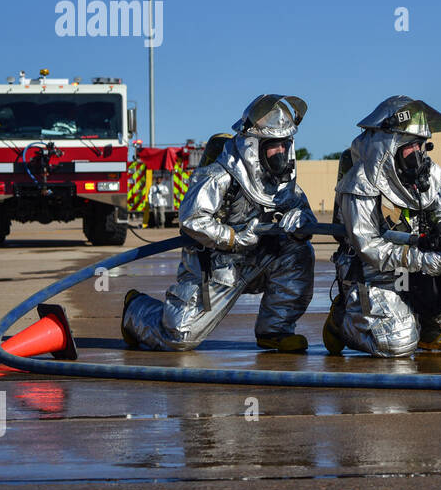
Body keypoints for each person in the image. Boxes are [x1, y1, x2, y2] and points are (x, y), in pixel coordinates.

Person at [121, 95, 317, 352]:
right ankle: (136, 309)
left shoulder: (283, 181)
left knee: (299, 253)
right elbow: (192, 220)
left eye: (284, 145)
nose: (281, 152)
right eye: (274, 145)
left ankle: (275, 329)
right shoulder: (219, 175)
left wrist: (302, 223)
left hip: (262, 259)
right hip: (217, 266)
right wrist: (234, 238)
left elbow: (306, 216)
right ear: (253, 145)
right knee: (179, 338)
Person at [323, 95, 441, 357]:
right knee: (396, 344)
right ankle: (343, 320)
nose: (419, 154)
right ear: (390, 145)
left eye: (422, 145)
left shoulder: (426, 177)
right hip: (374, 273)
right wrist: (421, 259)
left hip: (416, 264)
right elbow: (368, 247)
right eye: (412, 146)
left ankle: (436, 332)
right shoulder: (361, 184)